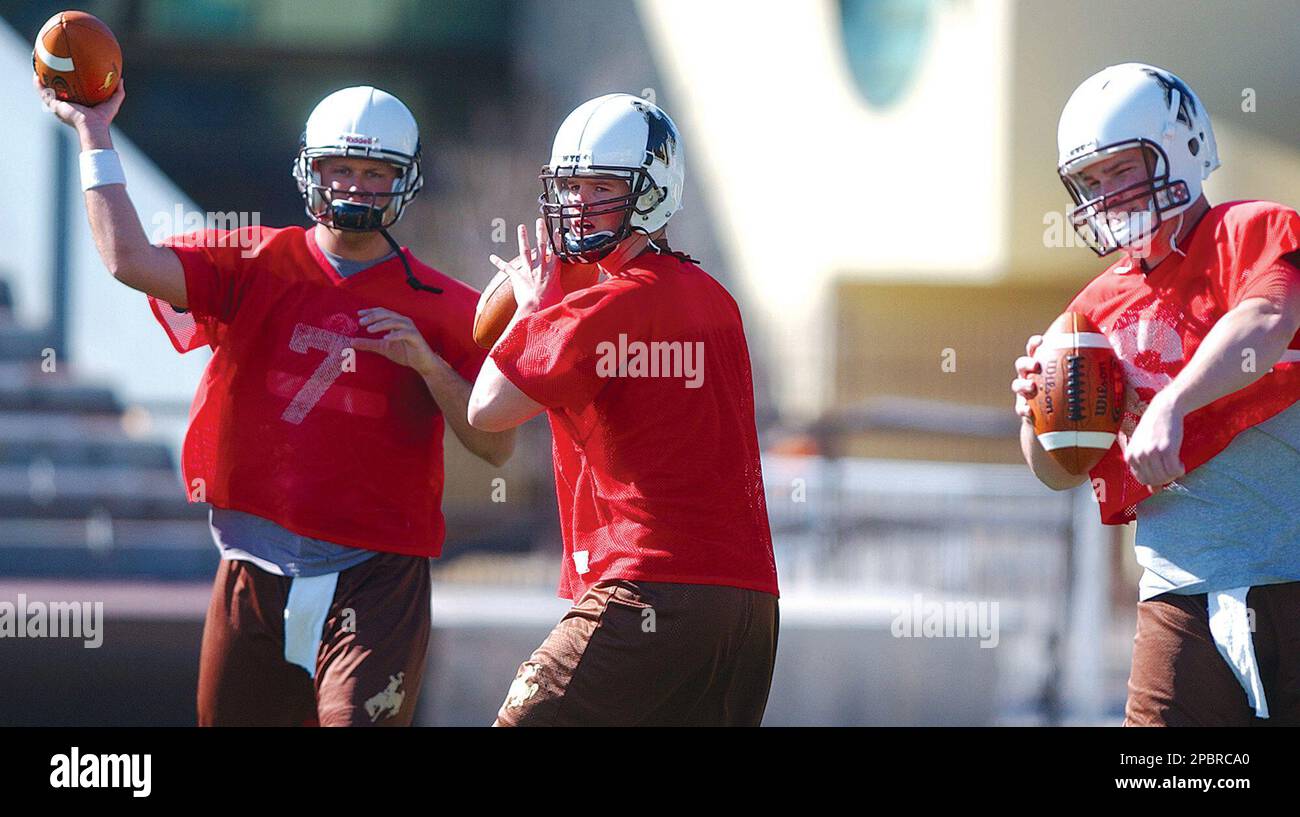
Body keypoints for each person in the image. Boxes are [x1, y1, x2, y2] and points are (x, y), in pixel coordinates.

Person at [37, 78, 514, 726]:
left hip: (374, 580)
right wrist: (94, 134)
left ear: (403, 181)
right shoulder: (255, 259)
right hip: (252, 565)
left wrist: (430, 367)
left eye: (374, 172)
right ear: (309, 170)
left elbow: (495, 445)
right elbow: (128, 258)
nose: (353, 185)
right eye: (339, 168)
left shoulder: (450, 306)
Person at [468, 94, 780, 726]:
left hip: (651, 586)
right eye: (571, 186)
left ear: (654, 188)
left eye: (601, 185)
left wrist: (535, 314)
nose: (580, 203)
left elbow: (486, 408)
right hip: (749, 605)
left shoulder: (605, 307)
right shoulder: (716, 297)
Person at [1011, 64, 1300, 725]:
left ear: (1181, 147)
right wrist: (1037, 412)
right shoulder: (1092, 313)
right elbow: (1056, 472)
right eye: (1090, 182)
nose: (1104, 195)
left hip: (1292, 574)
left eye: (1120, 170)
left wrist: (1173, 403)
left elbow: (1266, 321)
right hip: (1179, 591)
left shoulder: (1248, 230)